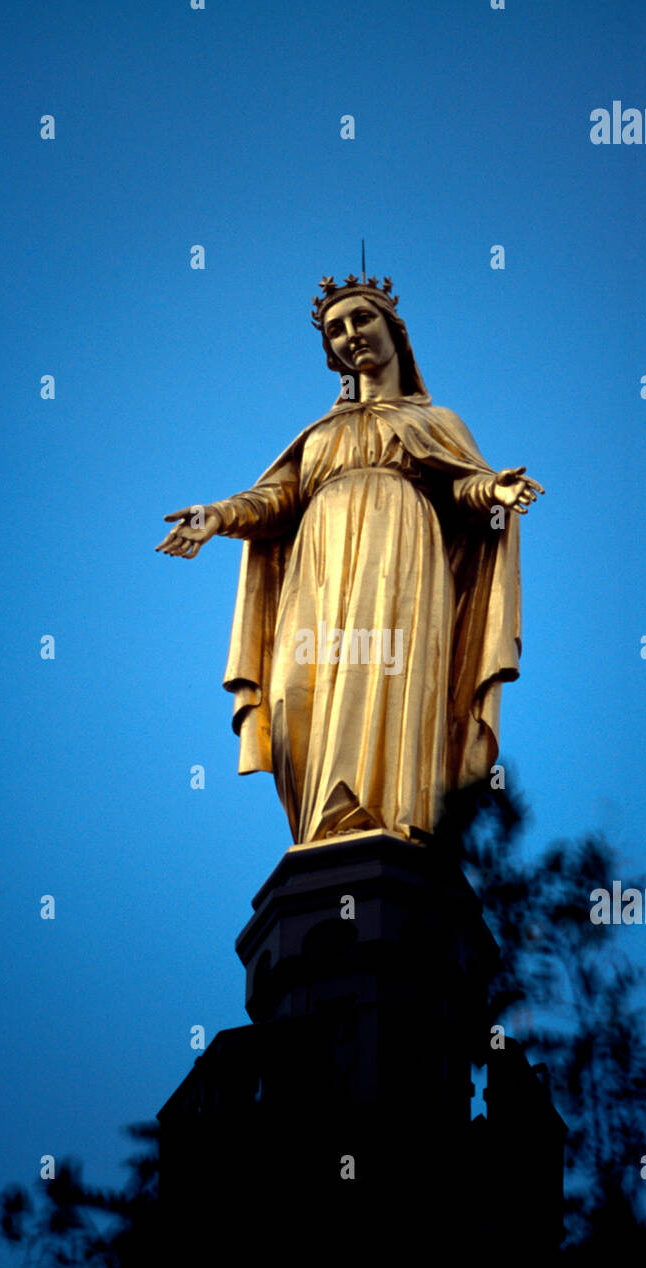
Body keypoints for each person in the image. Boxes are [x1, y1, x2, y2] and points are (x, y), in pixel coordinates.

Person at [157, 274, 543, 843]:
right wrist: (217, 515)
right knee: (292, 696)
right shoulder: (319, 434)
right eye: (335, 329)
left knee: (390, 679)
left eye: (363, 319)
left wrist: (494, 492)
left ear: (395, 331)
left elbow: (460, 488)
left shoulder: (438, 423)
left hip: (402, 556)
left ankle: (396, 823)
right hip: (318, 562)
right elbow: (279, 498)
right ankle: (321, 829)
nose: (350, 335)